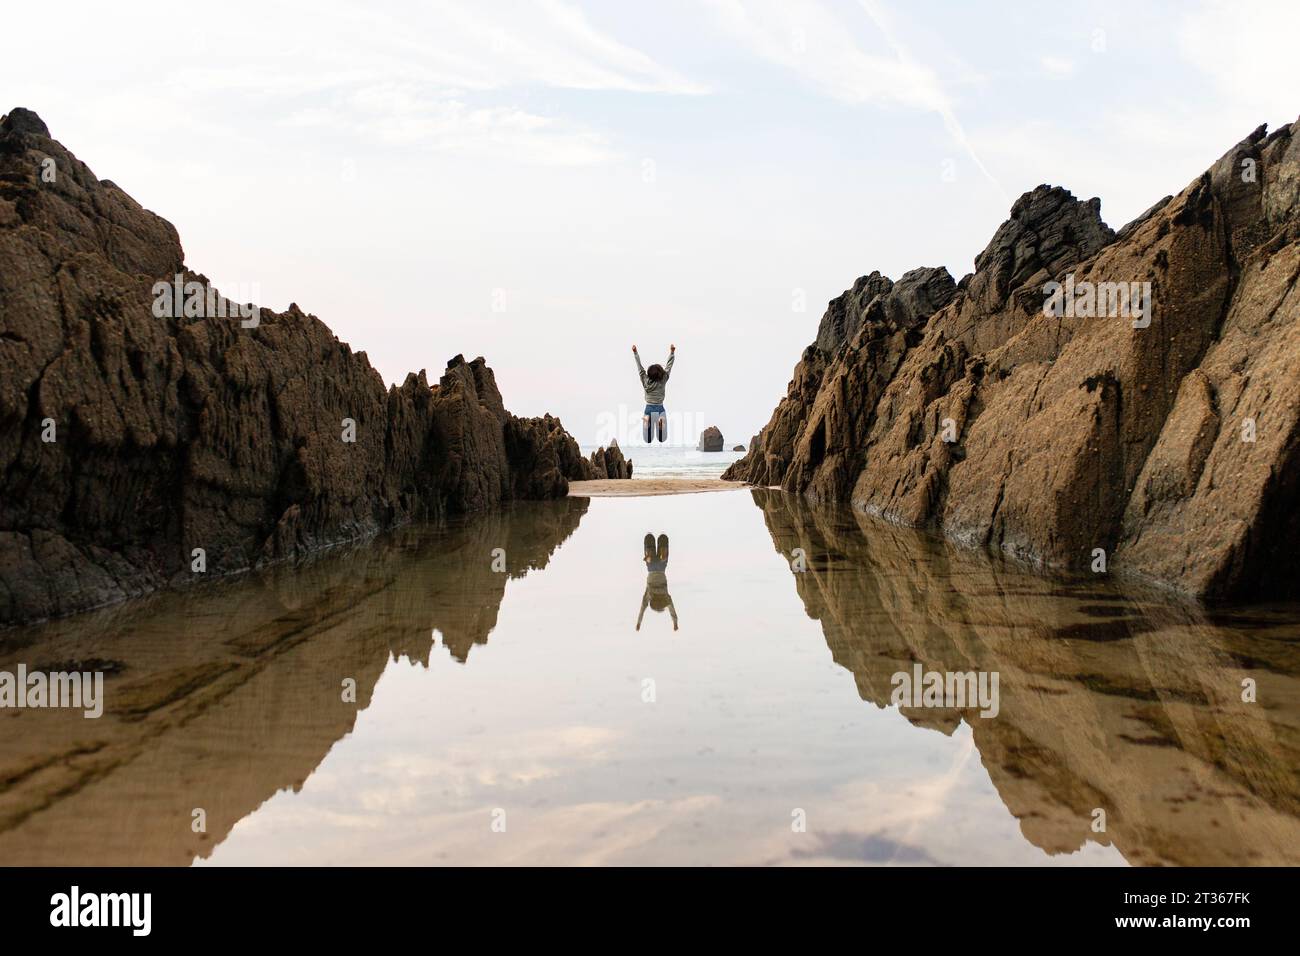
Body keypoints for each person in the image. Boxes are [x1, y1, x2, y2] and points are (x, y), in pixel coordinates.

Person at [633, 343, 674, 443]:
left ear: (649, 374)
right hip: (660, 408)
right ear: (661, 373)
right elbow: (669, 366)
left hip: (648, 408)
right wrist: (672, 353)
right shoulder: (663, 379)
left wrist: (635, 353)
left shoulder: (645, 381)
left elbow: (640, 369)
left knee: (647, 440)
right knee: (662, 439)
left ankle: (647, 421)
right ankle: (660, 423)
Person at [637, 533, 678, 631]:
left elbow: (672, 609)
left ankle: (661, 555)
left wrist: (675, 622)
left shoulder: (666, 598)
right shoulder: (649, 597)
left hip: (661, 568)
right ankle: (650, 555)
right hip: (651, 568)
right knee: (649, 540)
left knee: (662, 547)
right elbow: (642, 609)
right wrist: (638, 623)